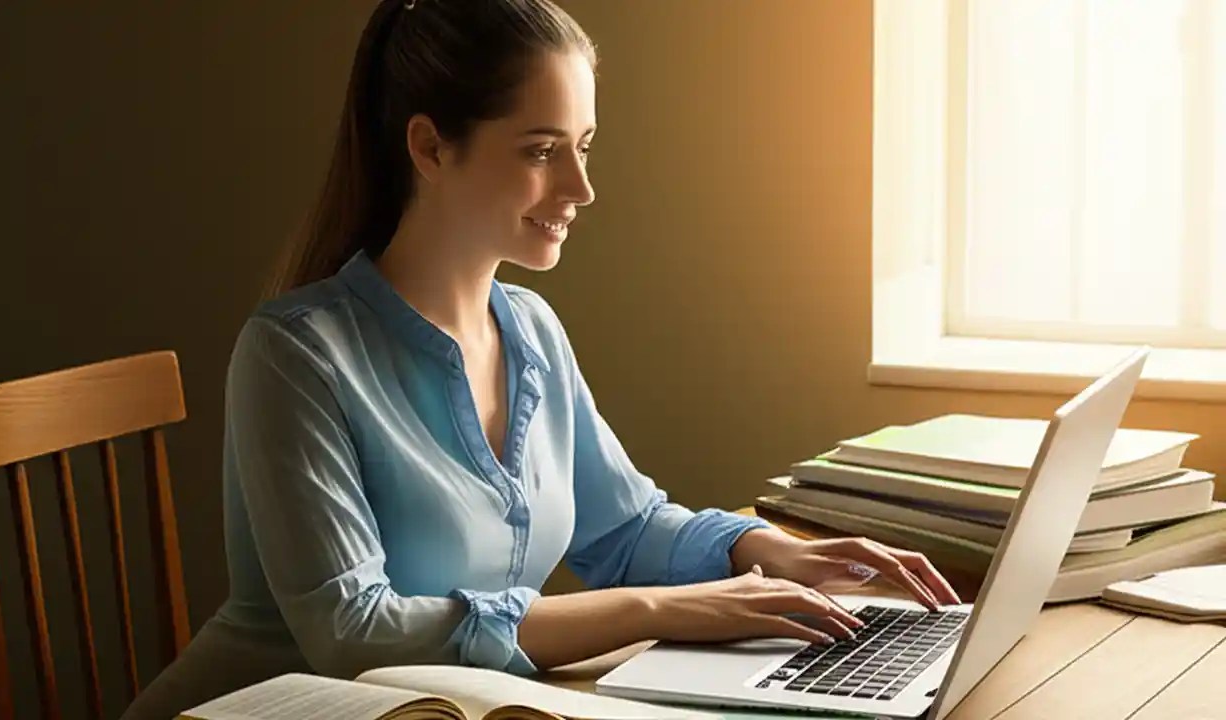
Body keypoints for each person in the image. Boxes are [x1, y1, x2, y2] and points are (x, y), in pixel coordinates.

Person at [122, 1, 960, 717]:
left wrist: (762, 551)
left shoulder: (529, 329)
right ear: (429, 147)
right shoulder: (295, 355)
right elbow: (351, 636)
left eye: (583, 146)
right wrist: (666, 609)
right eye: (540, 150)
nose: (580, 188)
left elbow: (625, 527)